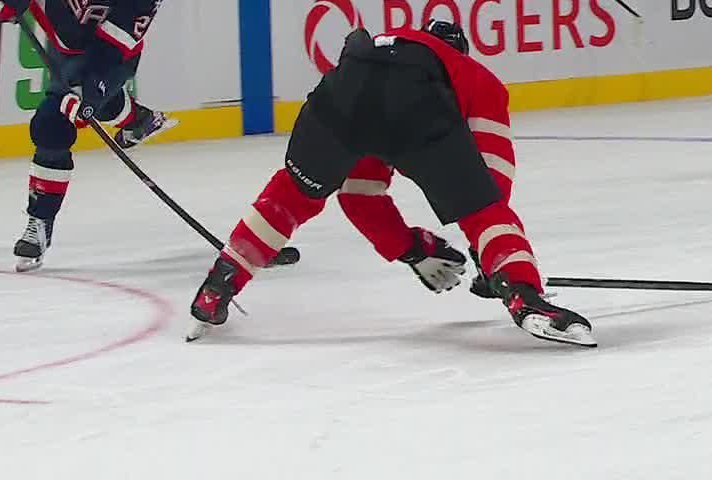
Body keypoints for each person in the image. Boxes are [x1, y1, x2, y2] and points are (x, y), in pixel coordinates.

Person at [186, 19, 596, 348]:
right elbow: (492, 186)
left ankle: (216, 288)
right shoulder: (477, 77)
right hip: (414, 105)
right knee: (483, 209)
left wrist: (412, 249)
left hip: (340, 91)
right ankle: (526, 299)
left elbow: (360, 198)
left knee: (292, 194)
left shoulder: (384, 53)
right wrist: (494, 265)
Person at [0, 0, 170, 272]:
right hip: (61, 28)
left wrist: (89, 91)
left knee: (52, 126)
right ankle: (135, 117)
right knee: (82, 110)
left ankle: (39, 223)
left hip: (109, 55)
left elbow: (111, 52)